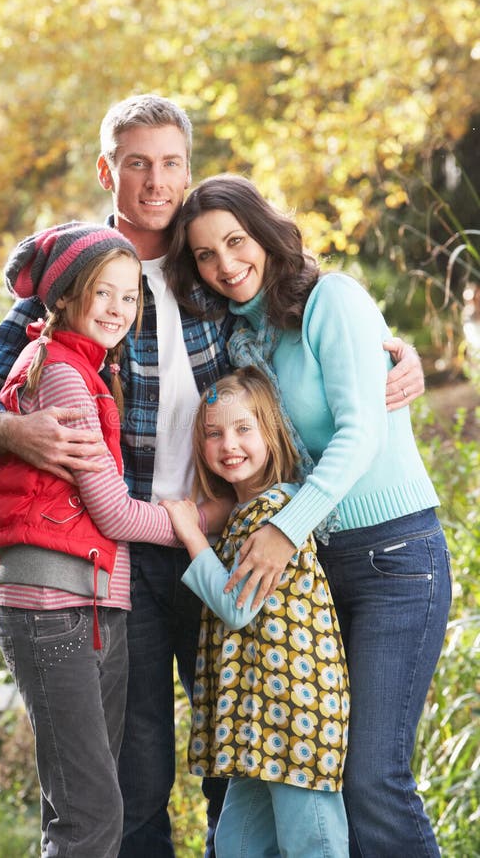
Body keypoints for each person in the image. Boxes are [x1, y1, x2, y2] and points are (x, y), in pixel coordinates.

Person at [0, 94, 425, 857]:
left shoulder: (214, 271)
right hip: (120, 555)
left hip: (225, 542)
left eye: (170, 163)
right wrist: (12, 428)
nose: (155, 181)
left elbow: (305, 316)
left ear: (187, 169)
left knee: (237, 762)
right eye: (137, 164)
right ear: (109, 171)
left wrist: (392, 350)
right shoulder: (77, 276)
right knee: (136, 777)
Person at [165, 173, 452, 857]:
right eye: (206, 254)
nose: (226, 264)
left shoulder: (334, 301)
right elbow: (267, 453)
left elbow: (360, 432)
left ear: (264, 232)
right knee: (330, 775)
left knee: (374, 780)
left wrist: (282, 529)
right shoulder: (243, 341)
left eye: (235, 241)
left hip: (394, 558)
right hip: (321, 572)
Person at [0, 221, 203, 858]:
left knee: (85, 808)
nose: (117, 309)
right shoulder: (64, 376)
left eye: (129, 297)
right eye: (102, 293)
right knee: (91, 817)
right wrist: (205, 519)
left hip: (90, 606)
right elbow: (117, 515)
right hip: (52, 610)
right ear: (68, 295)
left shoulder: (88, 370)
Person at [162, 366, 350, 858]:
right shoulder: (248, 512)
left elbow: (236, 607)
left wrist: (191, 535)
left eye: (244, 428)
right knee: (236, 844)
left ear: (271, 432)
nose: (230, 443)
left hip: (291, 717)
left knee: (311, 842)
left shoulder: (274, 514)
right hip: (254, 719)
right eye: (214, 433)